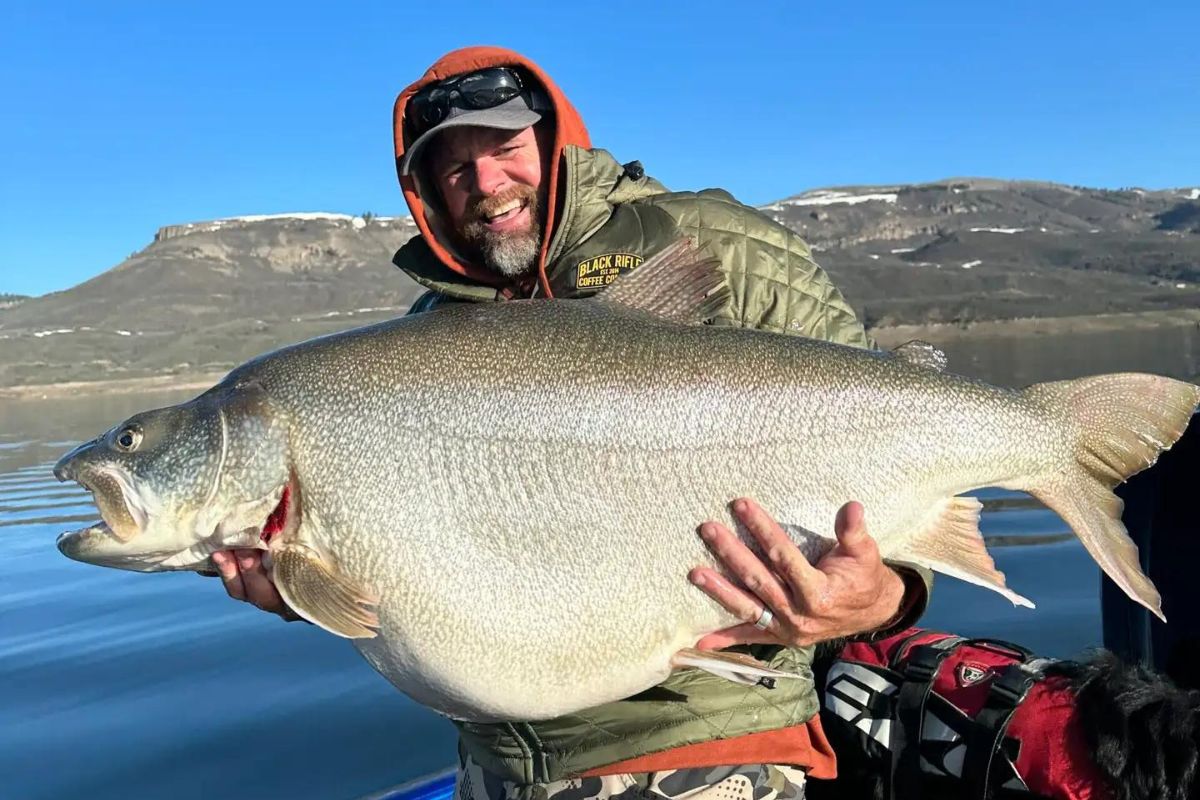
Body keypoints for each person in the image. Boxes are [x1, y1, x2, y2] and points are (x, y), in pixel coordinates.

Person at [211, 46, 933, 800]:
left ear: (557, 143)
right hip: (500, 768)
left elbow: (888, 438)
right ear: (424, 193)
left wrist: (886, 594)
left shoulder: (715, 242)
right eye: (454, 169)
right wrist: (309, 585)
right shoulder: (422, 343)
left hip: (709, 743)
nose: (486, 184)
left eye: (504, 147)